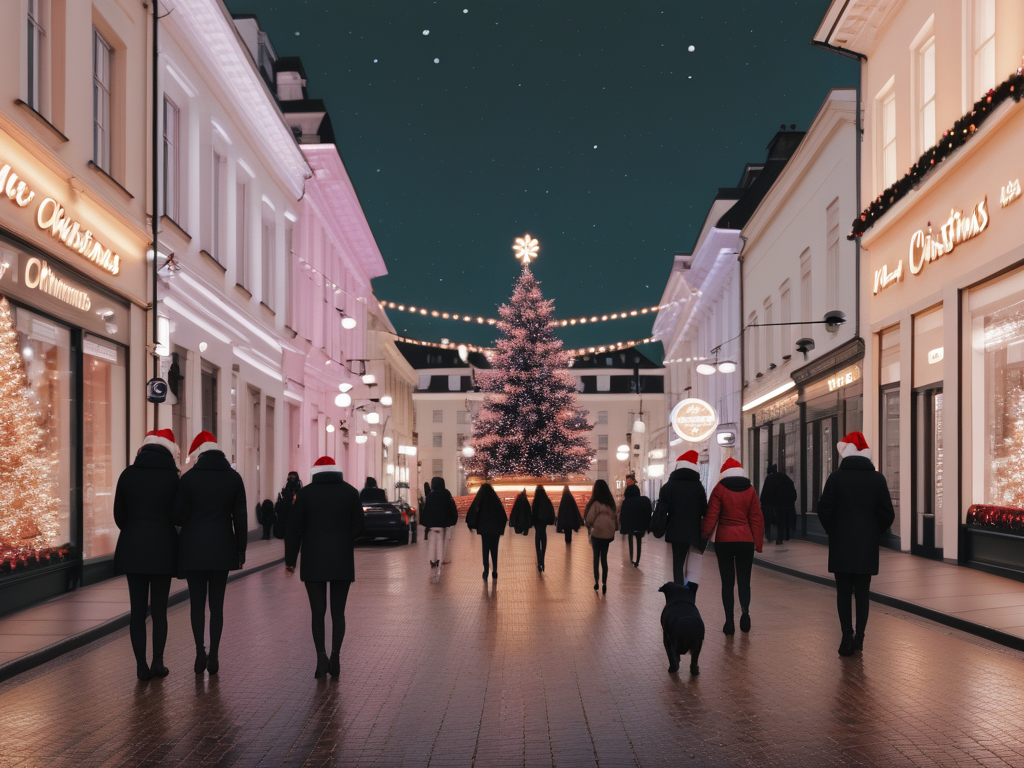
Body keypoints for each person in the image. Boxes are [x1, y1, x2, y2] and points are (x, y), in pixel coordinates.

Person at [173, 431, 247, 676]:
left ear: (198, 456)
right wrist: (241, 550)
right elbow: (241, 518)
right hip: (222, 548)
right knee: (217, 606)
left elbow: (178, 516)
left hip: (193, 548)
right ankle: (214, 655)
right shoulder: (234, 479)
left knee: (196, 605)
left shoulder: (189, 479)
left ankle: (199, 652)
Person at [285, 456, 364, 678]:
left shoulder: (305, 493)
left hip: (313, 558)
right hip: (341, 558)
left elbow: (294, 529)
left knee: (317, 612)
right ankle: (336, 657)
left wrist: (290, 561)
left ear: (315, 473)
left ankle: (321, 658)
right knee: (338, 612)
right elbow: (360, 526)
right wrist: (345, 538)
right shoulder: (350, 492)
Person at [818, 432, 895, 657]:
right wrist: (874, 532)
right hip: (866, 545)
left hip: (841, 543)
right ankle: (860, 637)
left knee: (843, 592)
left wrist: (833, 530)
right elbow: (887, 514)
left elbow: (824, 509)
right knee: (862, 592)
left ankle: (846, 635)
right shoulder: (877, 479)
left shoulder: (836, 478)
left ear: (845, 454)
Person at [113, 429, 180, 680]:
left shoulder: (128, 475)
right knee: (160, 611)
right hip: (163, 548)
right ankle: (158, 663)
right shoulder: (173, 478)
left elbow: (119, 515)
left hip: (133, 549)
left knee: (137, 610)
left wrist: (134, 530)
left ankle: (140, 666)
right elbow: (177, 515)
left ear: (143, 450)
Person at [701, 458, 763, 635]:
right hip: (745, 540)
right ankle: (745, 613)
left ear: (724, 474)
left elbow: (711, 516)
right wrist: (757, 543)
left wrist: (703, 537)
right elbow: (756, 518)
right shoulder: (750, 490)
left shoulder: (719, 489)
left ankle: (729, 622)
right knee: (744, 580)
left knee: (727, 582)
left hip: (724, 541)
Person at [656, 451, 708, 591]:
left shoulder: (669, 485)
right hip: (694, 530)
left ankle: (679, 591)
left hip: (676, 530)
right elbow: (705, 510)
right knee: (692, 564)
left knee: (678, 563)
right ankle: (690, 592)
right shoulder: (698, 486)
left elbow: (661, 507)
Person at [466, 482, 507, 580]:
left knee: (485, 549)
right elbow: (503, 515)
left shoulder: (480, 499)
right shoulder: (495, 500)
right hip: (495, 530)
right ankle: (495, 570)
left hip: (484, 529)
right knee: (494, 549)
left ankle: (485, 571)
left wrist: (472, 524)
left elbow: (473, 511)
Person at [584, 480, 618, 594]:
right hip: (608, 535)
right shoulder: (611, 504)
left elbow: (589, 519)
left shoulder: (595, 504)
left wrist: (590, 525)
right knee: (604, 558)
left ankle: (596, 582)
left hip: (597, 534)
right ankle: (604, 583)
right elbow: (614, 516)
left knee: (595, 558)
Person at [420, 476, 458, 570]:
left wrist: (424, 521)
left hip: (432, 523)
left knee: (432, 541)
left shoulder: (430, 495)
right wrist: (453, 519)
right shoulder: (446, 493)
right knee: (442, 541)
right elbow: (451, 507)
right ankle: (440, 559)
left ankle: (432, 560)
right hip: (443, 523)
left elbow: (426, 510)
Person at [760, 464, 797, 544]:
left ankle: (769, 536)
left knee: (769, 519)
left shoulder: (769, 478)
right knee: (781, 520)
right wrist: (790, 502)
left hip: (772, 504)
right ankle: (780, 538)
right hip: (784, 504)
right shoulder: (785, 477)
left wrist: (764, 503)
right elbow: (793, 491)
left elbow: (765, 493)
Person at [620, 482, 652, 568]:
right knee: (639, 541)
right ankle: (637, 560)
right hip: (641, 525)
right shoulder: (645, 500)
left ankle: (631, 557)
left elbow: (623, 515)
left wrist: (623, 528)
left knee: (630, 539)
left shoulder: (626, 502)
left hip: (630, 525)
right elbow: (648, 514)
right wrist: (648, 526)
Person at [531, 486, 555, 571]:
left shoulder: (535, 501)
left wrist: (532, 522)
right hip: (544, 523)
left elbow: (533, 513)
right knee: (543, 539)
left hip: (537, 524)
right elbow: (551, 511)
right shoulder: (547, 500)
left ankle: (539, 560)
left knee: (537, 542)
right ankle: (542, 559)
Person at [274, 471, 302, 540]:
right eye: (291, 476)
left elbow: (299, 492)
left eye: (293, 476)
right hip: (287, 504)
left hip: (295, 504)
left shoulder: (298, 483)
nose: (292, 478)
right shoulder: (288, 483)